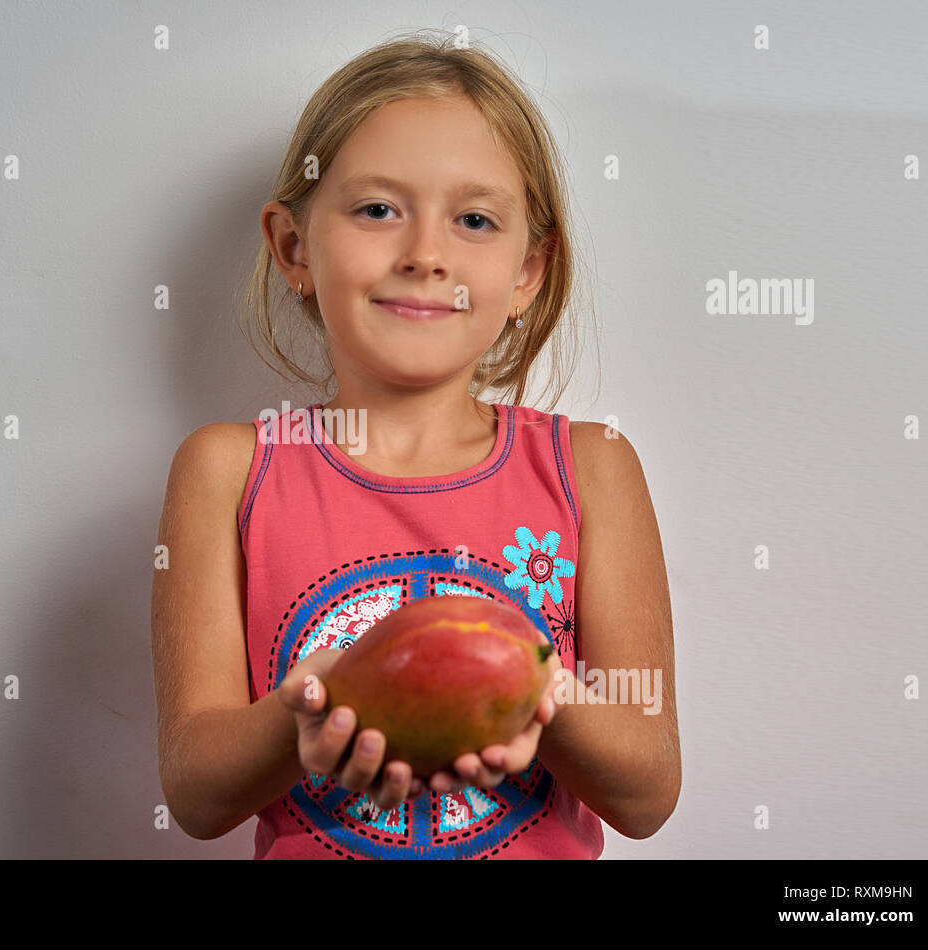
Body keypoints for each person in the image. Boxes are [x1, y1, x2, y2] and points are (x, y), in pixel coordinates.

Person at [152, 29, 679, 859]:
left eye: (474, 219)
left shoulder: (591, 468)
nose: (427, 255)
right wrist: (308, 711)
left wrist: (529, 684)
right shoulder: (229, 470)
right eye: (377, 209)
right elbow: (193, 789)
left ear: (527, 274)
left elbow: (648, 791)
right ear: (293, 248)